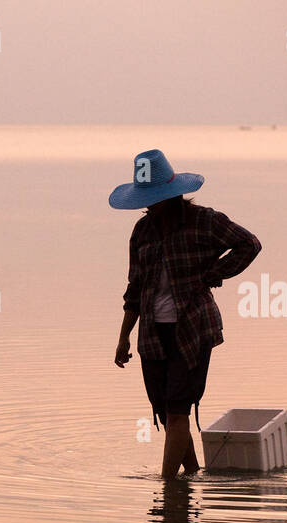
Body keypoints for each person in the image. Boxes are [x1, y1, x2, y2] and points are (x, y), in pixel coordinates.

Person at [109, 149, 261, 479]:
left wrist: (213, 274)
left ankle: (167, 488)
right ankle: (191, 477)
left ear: (174, 194)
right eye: (146, 200)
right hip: (152, 335)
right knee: (166, 414)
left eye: (155, 198)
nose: (150, 206)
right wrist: (123, 336)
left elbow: (249, 244)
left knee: (178, 411)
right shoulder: (142, 232)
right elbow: (135, 288)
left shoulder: (204, 221)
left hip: (192, 329)